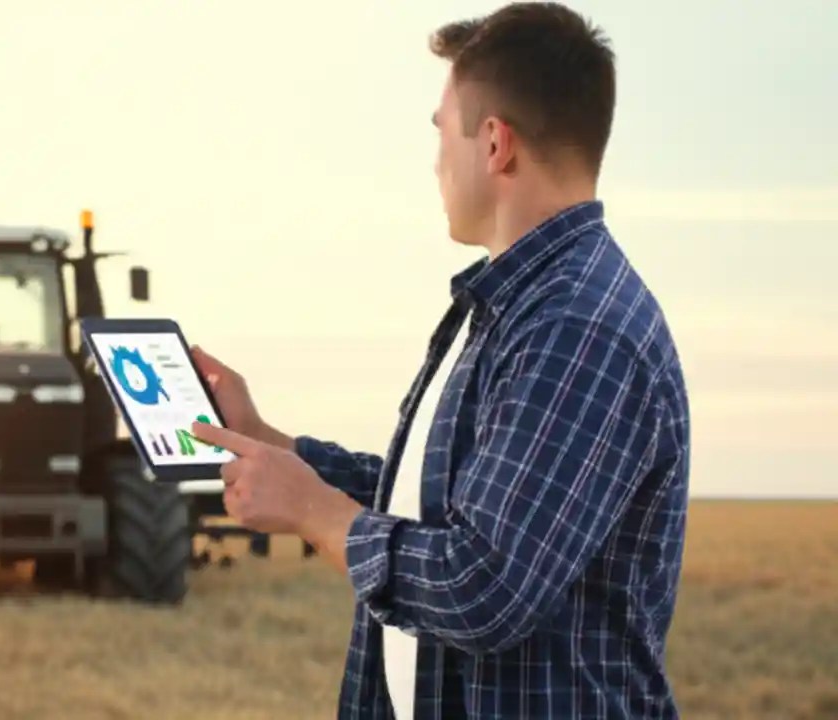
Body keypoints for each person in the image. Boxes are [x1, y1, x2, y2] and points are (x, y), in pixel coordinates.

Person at [188, 2, 691, 719]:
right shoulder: (520, 304)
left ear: (494, 145)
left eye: (439, 132)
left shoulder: (575, 328)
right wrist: (273, 446)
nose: (433, 161)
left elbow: (482, 585)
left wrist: (314, 513)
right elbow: (433, 510)